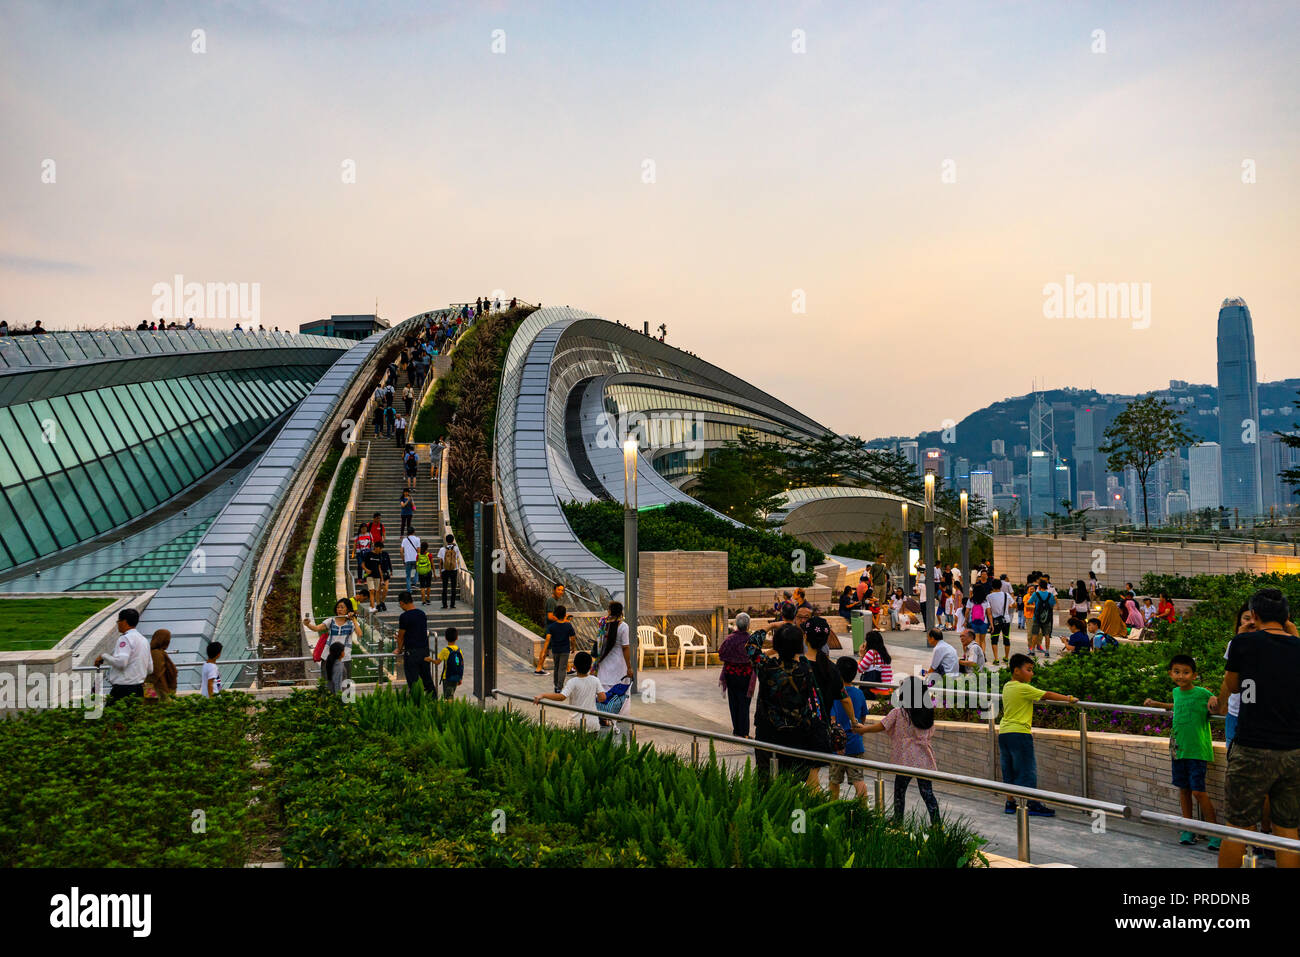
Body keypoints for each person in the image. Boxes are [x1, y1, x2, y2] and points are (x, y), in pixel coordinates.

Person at [1213, 588, 1300, 869]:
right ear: (1287, 616)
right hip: (1293, 751)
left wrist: (1245, 635)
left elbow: (1234, 686)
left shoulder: (1243, 644)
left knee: (1237, 828)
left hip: (1250, 747)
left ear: (1256, 615)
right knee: (1287, 831)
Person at [1144, 654, 1221, 850]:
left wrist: (1213, 698)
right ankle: (1188, 828)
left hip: (1197, 750)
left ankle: (1215, 833)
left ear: (1194, 675)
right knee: (1184, 790)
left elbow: (1215, 702)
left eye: (1186, 672)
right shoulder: (1176, 692)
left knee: (1198, 791)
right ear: (1170, 674)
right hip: (1178, 749)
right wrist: (1157, 704)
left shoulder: (1202, 692)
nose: (1181, 676)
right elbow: (1177, 705)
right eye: (1177, 672)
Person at [998, 653, 1078, 816]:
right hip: (1020, 733)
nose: (1032, 673)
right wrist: (1068, 698)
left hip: (1004, 733)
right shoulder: (1023, 688)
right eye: (1029, 669)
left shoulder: (1007, 686)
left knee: (1009, 770)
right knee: (1027, 770)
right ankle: (1032, 803)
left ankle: (1010, 803)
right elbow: (1047, 694)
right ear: (1017, 671)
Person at [748, 623, 827, 782]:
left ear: (776, 645)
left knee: (766, 780)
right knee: (793, 782)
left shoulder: (766, 668)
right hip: (798, 734)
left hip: (768, 732)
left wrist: (768, 627)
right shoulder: (805, 669)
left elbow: (751, 646)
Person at [862, 676, 942, 825]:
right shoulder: (927, 713)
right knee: (927, 793)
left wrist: (863, 730)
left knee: (900, 791)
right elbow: (930, 733)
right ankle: (937, 825)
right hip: (924, 758)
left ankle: (898, 822)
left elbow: (881, 726)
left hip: (905, 760)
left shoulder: (899, 713)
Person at [532, 651, 606, 731]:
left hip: (576, 723)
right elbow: (602, 697)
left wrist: (543, 695)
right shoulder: (595, 680)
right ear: (590, 666)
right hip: (593, 722)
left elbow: (561, 697)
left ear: (574, 666)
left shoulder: (572, 682)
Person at [830, 656, 870, 799]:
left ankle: (832, 809)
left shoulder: (834, 694)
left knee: (834, 782)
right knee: (858, 781)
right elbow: (863, 717)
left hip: (837, 746)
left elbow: (832, 719)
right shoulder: (859, 693)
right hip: (855, 743)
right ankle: (864, 810)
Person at [94, 608, 152, 701]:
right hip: (139, 689)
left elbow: (121, 663)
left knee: (112, 714)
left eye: (118, 621)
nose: (117, 623)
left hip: (123, 690)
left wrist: (103, 656)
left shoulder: (125, 638)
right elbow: (150, 669)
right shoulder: (144, 640)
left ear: (124, 621)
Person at [594, 601, 633, 729]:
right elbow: (625, 648)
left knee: (602, 689)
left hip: (604, 661)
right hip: (619, 663)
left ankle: (602, 716)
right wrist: (629, 667)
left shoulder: (603, 624)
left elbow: (599, 643)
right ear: (621, 611)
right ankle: (619, 716)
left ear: (610, 611)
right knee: (620, 689)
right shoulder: (624, 626)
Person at [718, 613, 756, 737]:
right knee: (744, 703)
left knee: (734, 703)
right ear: (748, 625)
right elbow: (756, 657)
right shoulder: (751, 640)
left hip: (731, 675)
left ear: (736, 625)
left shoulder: (730, 639)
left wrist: (733, 659)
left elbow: (721, 654)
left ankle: (737, 731)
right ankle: (744, 732)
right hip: (746, 676)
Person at [304, 600, 356, 680]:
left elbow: (360, 634)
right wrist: (308, 624)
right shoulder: (330, 621)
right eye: (338, 607)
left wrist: (354, 619)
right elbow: (316, 628)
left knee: (345, 684)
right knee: (327, 682)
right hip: (328, 656)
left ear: (348, 609)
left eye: (342, 607)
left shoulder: (351, 623)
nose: (339, 609)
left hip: (344, 657)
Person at [396, 591, 434, 693]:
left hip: (412, 653)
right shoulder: (422, 614)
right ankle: (434, 702)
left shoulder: (404, 616)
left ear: (402, 603)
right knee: (427, 680)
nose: (400, 607)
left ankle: (416, 704)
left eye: (400, 604)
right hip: (424, 651)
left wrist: (399, 649)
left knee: (413, 682)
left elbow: (400, 636)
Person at [539, 604, 577, 694]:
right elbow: (573, 638)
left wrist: (544, 650)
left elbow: (547, 639)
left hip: (555, 650)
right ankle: (559, 687)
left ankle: (556, 685)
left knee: (556, 667)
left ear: (555, 615)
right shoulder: (568, 626)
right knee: (562, 668)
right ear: (565, 614)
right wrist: (573, 647)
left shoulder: (551, 627)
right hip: (565, 650)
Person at [430, 627, 464, 698]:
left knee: (448, 697)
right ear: (457, 638)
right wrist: (460, 678)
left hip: (447, 678)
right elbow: (460, 664)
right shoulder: (459, 650)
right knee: (451, 695)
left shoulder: (445, 650)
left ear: (445, 638)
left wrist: (430, 659)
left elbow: (437, 662)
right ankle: (451, 707)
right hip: (456, 677)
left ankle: (449, 708)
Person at [145, 629, 178, 701]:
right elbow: (155, 673)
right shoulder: (156, 653)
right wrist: (149, 690)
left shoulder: (158, 652)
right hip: (157, 687)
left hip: (154, 686)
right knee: (154, 708)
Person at [1026, 578, 1056, 657]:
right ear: (1046, 587)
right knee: (1047, 635)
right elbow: (1052, 605)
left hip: (1037, 617)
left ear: (1039, 587)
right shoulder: (1050, 595)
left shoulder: (1036, 594)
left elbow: (1029, 602)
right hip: (1047, 618)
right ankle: (1047, 651)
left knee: (1034, 634)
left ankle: (1032, 651)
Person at [986, 578, 1012, 664]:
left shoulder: (989, 597)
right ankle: (1006, 657)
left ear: (992, 586)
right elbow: (1014, 604)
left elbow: (988, 611)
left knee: (994, 639)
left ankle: (996, 659)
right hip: (1006, 620)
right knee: (1006, 638)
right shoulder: (1006, 595)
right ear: (1001, 586)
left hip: (995, 621)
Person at [438, 534, 464, 608]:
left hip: (444, 570)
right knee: (453, 588)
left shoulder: (442, 549)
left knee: (444, 588)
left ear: (446, 540)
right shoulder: (456, 549)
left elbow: (440, 562)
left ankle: (444, 605)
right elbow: (458, 558)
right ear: (453, 540)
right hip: (453, 570)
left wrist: (440, 572)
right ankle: (452, 605)